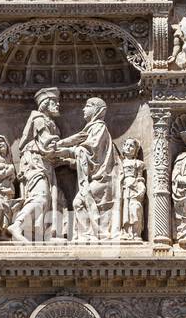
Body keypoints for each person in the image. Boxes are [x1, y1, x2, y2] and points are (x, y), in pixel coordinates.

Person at [52, 96, 118, 241]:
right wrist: (66, 161)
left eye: (88, 106)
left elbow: (89, 151)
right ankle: (88, 235)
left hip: (102, 178)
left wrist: (65, 149)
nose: (83, 109)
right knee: (79, 202)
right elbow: (87, 160)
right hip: (95, 176)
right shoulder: (91, 129)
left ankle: (94, 235)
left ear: (97, 110)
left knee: (79, 202)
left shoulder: (99, 128)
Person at [10, 87, 63, 242]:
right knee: (40, 197)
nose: (58, 105)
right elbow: (46, 142)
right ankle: (17, 225)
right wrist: (71, 144)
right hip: (34, 163)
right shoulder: (39, 119)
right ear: (45, 103)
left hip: (45, 163)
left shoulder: (50, 123)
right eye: (54, 102)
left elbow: (52, 150)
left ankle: (43, 234)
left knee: (50, 199)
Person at [117, 138, 146, 240]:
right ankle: (125, 232)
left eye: (131, 146)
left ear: (136, 150)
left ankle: (135, 233)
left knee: (135, 208)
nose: (128, 148)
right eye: (127, 145)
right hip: (123, 189)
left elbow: (140, 179)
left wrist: (142, 189)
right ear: (123, 148)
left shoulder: (139, 163)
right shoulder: (119, 163)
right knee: (123, 211)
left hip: (134, 188)